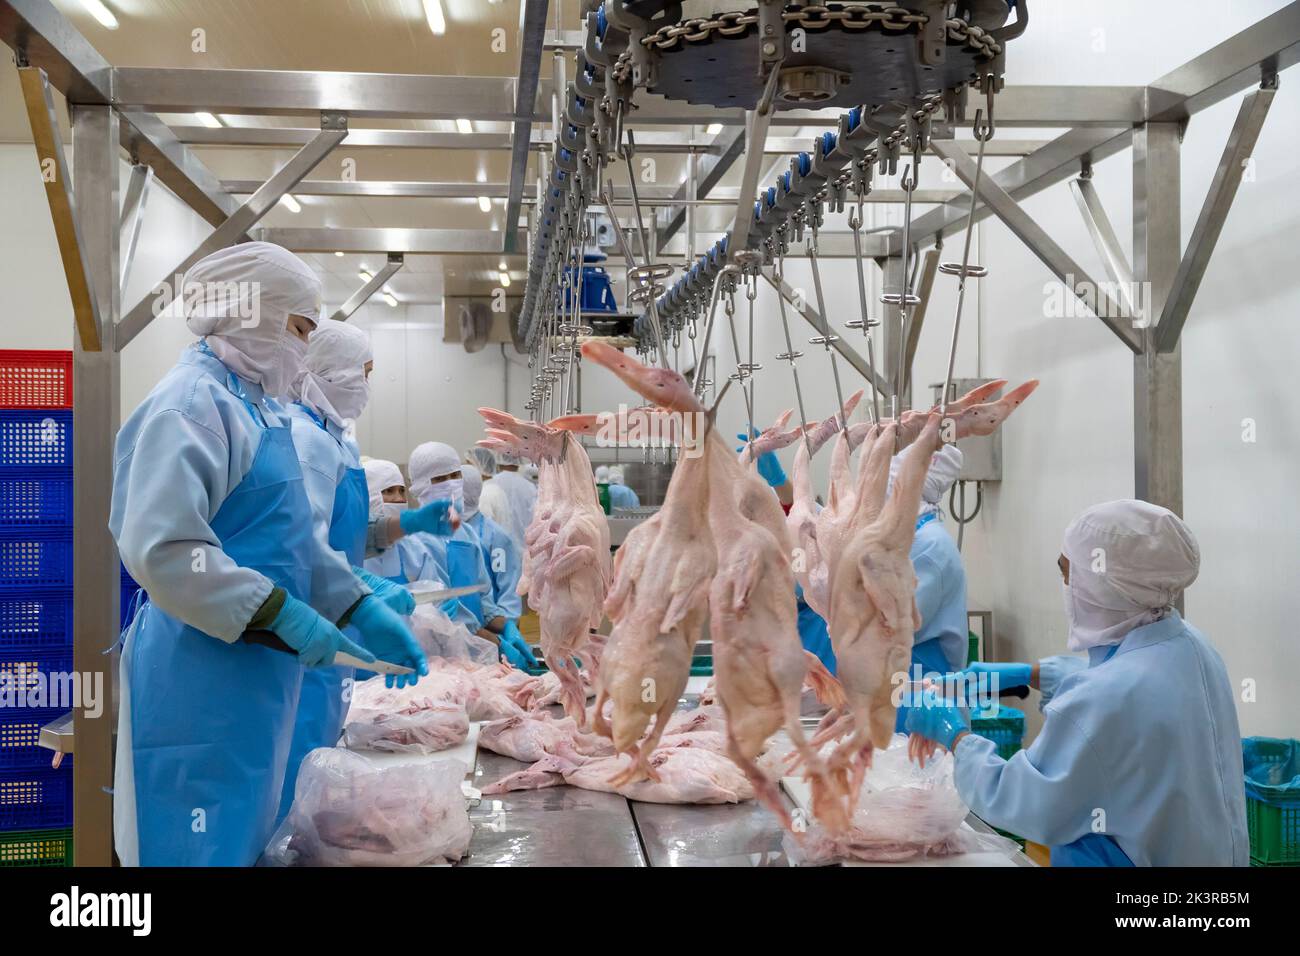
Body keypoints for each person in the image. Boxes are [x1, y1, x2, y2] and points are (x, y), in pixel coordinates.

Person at [109, 242, 427, 867]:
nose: (306, 350)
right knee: (198, 842)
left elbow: (297, 541)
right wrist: (279, 611)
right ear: (254, 314)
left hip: (261, 679)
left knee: (249, 838)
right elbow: (163, 548)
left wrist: (358, 602)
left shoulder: (258, 407)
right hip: (200, 676)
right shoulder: (192, 404)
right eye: (300, 329)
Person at [906, 500, 1249, 866]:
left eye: (1069, 573)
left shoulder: (1104, 697)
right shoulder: (1193, 644)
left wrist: (954, 735)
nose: (1067, 586)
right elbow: (1126, 683)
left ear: (1102, 583)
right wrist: (1029, 674)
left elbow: (1026, 803)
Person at [277, 320, 450, 822]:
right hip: (306, 633)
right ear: (328, 372)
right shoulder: (305, 441)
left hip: (333, 628)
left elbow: (344, 532)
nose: (367, 388)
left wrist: (398, 526)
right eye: (364, 374)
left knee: (318, 768)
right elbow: (299, 548)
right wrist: (365, 591)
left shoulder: (333, 440)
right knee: (298, 779)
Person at [395, 442, 513, 650]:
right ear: (420, 486)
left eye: (455, 475)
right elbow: (441, 608)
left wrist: (507, 627)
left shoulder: (466, 533)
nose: (450, 484)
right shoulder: (415, 540)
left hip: (478, 646)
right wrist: (495, 643)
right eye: (439, 479)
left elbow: (484, 596)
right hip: (440, 650)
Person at [891, 444, 967, 731]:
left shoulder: (929, 547)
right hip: (905, 685)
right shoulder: (909, 540)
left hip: (924, 688)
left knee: (917, 772)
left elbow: (894, 628)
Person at [461, 465, 536, 669]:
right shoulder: (449, 532)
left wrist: (504, 630)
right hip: (463, 631)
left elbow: (507, 588)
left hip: (493, 630)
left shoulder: (494, 536)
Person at [480, 450, 538, 551]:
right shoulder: (530, 487)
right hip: (525, 550)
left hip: (499, 550)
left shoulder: (490, 484)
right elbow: (535, 518)